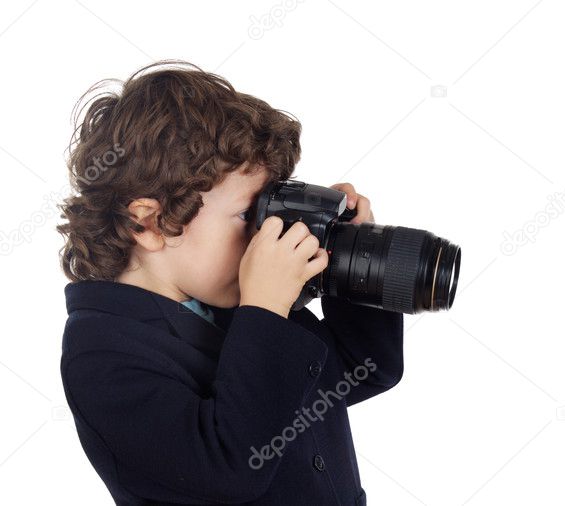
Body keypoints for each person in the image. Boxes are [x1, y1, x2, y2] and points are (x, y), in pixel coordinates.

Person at [56, 60, 401, 505]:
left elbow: (367, 369)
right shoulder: (102, 355)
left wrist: (355, 252)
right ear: (149, 223)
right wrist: (264, 311)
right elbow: (230, 469)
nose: (263, 233)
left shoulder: (235, 301)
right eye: (246, 215)